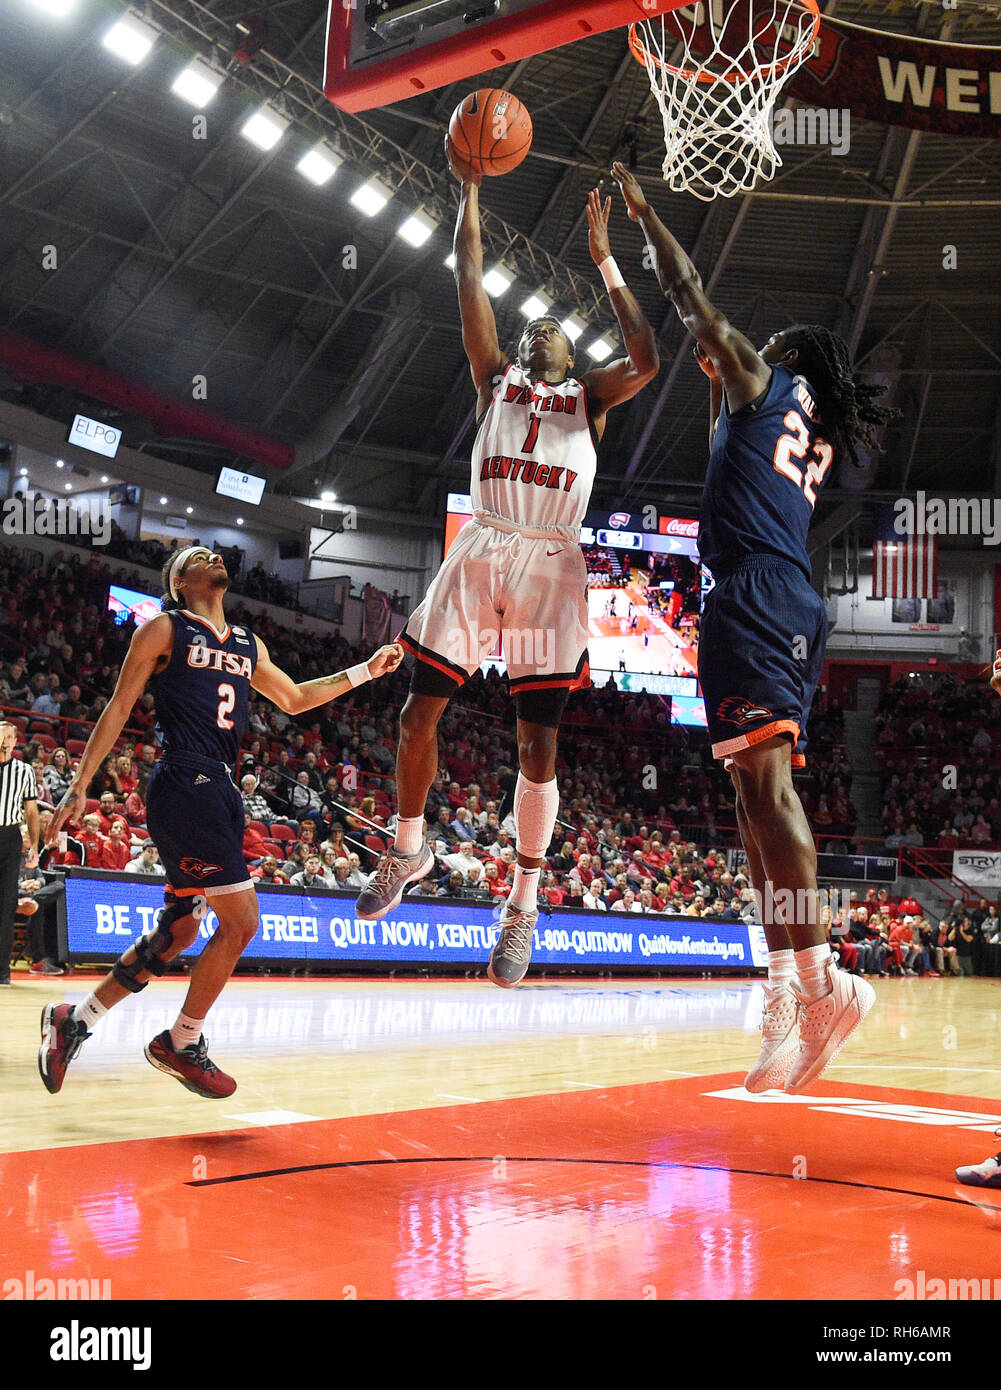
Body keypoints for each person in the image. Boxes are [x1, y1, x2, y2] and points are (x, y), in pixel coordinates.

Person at [613, 161, 898, 1095]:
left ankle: (821, 984)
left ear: (791, 361)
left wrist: (648, 219)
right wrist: (708, 382)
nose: (754, 348)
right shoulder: (783, 421)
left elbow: (693, 300)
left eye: (769, 345)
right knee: (747, 794)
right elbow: (725, 449)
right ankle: (783, 983)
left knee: (768, 793)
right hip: (762, 595)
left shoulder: (770, 385)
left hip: (757, 595)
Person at [355, 151, 658, 997]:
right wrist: (470, 193)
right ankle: (408, 847)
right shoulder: (495, 380)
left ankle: (521, 903)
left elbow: (647, 356)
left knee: (536, 745)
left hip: (548, 564)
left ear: (571, 350)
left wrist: (605, 259)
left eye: (553, 330)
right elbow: (469, 279)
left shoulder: (591, 398)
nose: (538, 334)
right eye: (531, 330)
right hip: (483, 544)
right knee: (418, 717)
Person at [40, 544, 402, 1098]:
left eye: (212, 552)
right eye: (196, 555)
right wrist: (80, 784)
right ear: (181, 581)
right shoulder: (164, 629)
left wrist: (364, 670)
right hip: (185, 780)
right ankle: (181, 1042)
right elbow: (117, 706)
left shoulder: (245, 643)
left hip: (221, 788)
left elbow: (296, 698)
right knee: (242, 922)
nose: (210, 555)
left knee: (181, 929)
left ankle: (76, 1020)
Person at [0, 722, 40, 987]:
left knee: (5, 904)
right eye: (1, 736)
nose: (4, 741)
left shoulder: (24, 771)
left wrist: (34, 845)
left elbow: (32, 810)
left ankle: (2, 970)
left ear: (16, 741)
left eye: (9, 737)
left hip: (9, 837)